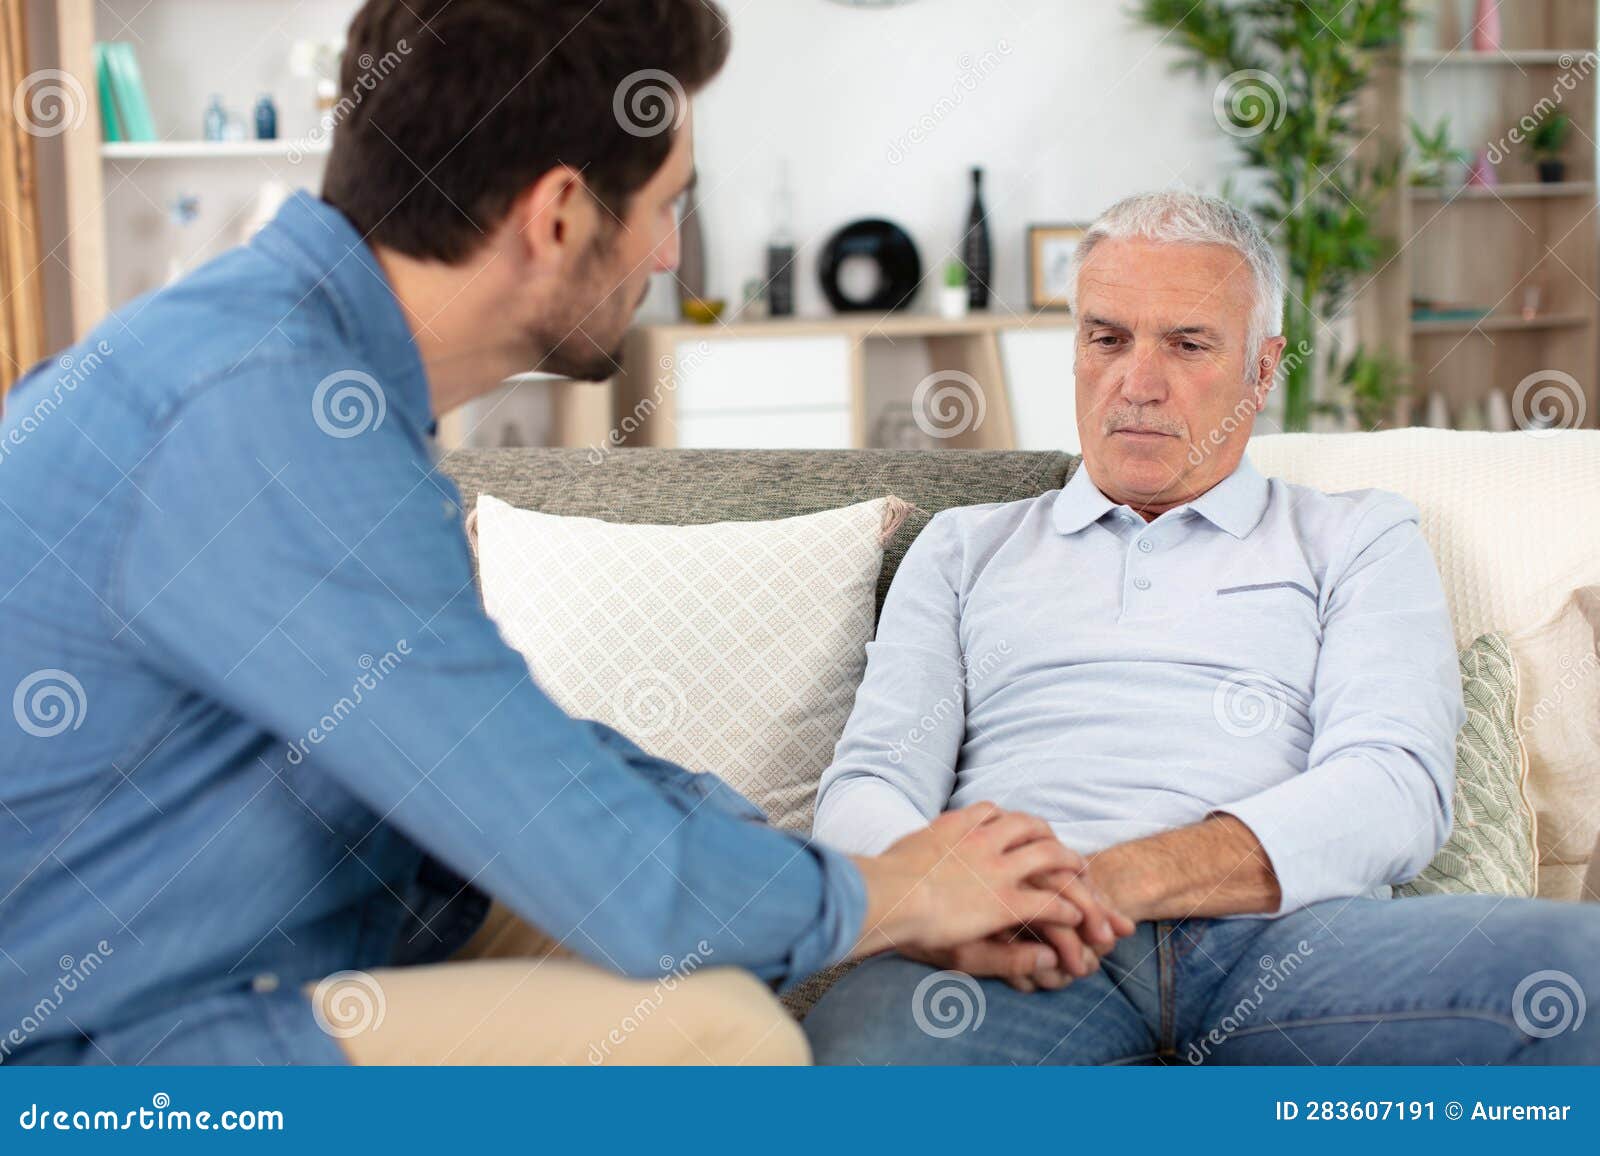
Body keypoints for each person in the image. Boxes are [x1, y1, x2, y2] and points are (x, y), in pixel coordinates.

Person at [0, 0, 1106, 1067]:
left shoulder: (301, 363)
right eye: (669, 203)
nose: (671, 253)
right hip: (105, 1036)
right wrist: (898, 891)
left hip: (324, 918)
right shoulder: (264, 417)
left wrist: (857, 887)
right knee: (721, 1039)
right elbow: (608, 866)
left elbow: (511, 752)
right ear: (561, 215)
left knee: (724, 958)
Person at [804, 190, 1600, 1065]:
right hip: (1017, 949)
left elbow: (1396, 784)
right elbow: (867, 789)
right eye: (1107, 338)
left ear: (1263, 371)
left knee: (1574, 970)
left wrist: (1118, 877)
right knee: (866, 1063)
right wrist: (945, 895)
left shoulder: (1357, 535)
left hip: (1285, 936)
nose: (1137, 384)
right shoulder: (964, 548)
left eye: (1186, 345)